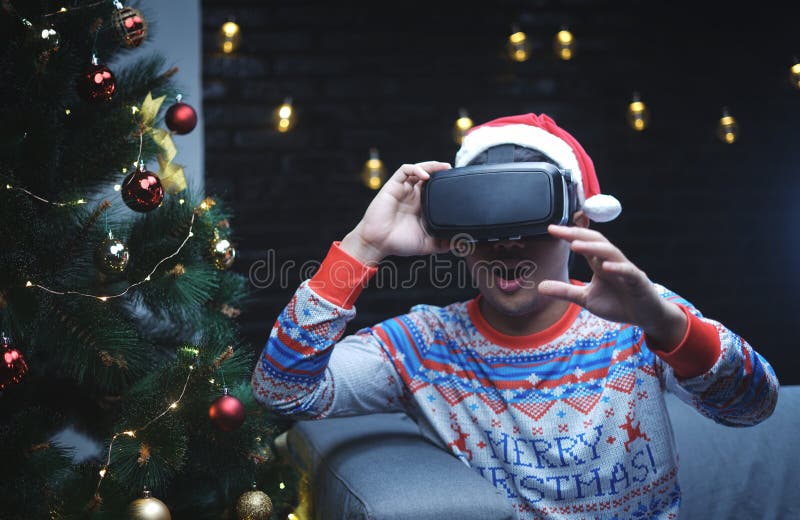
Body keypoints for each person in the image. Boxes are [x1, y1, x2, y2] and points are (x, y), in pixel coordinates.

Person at [251, 113, 779, 519]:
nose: (505, 244)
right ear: (457, 237)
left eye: (526, 221)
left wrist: (667, 326)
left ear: (576, 223)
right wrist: (365, 246)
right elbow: (283, 390)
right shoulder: (425, 345)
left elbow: (753, 406)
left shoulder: (642, 314)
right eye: (486, 224)